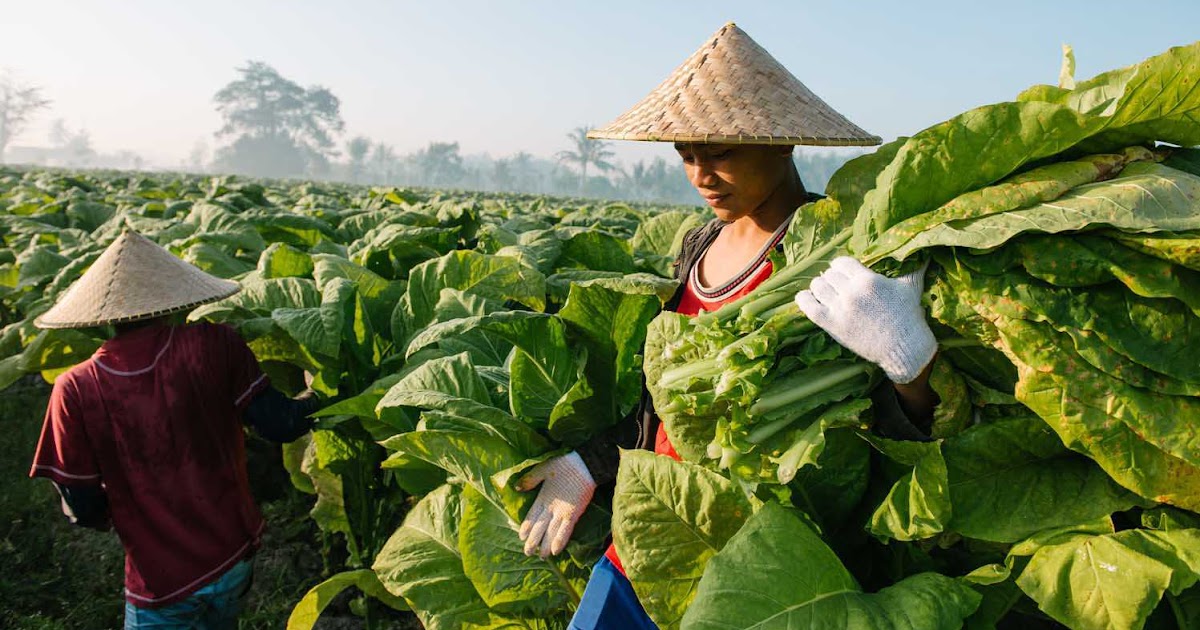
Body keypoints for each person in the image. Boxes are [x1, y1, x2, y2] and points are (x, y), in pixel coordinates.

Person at [513, 23, 939, 629]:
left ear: (781, 143)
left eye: (719, 153)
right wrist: (587, 464)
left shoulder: (844, 251)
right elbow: (663, 404)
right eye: (686, 155)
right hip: (653, 532)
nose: (699, 175)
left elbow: (889, 437)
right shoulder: (698, 244)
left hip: (764, 566)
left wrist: (910, 364)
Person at [28, 230, 320, 630]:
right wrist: (316, 392)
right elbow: (281, 424)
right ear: (173, 296)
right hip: (234, 553)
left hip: (161, 580)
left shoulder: (76, 388)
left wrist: (122, 508)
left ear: (104, 314)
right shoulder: (215, 344)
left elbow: (80, 503)